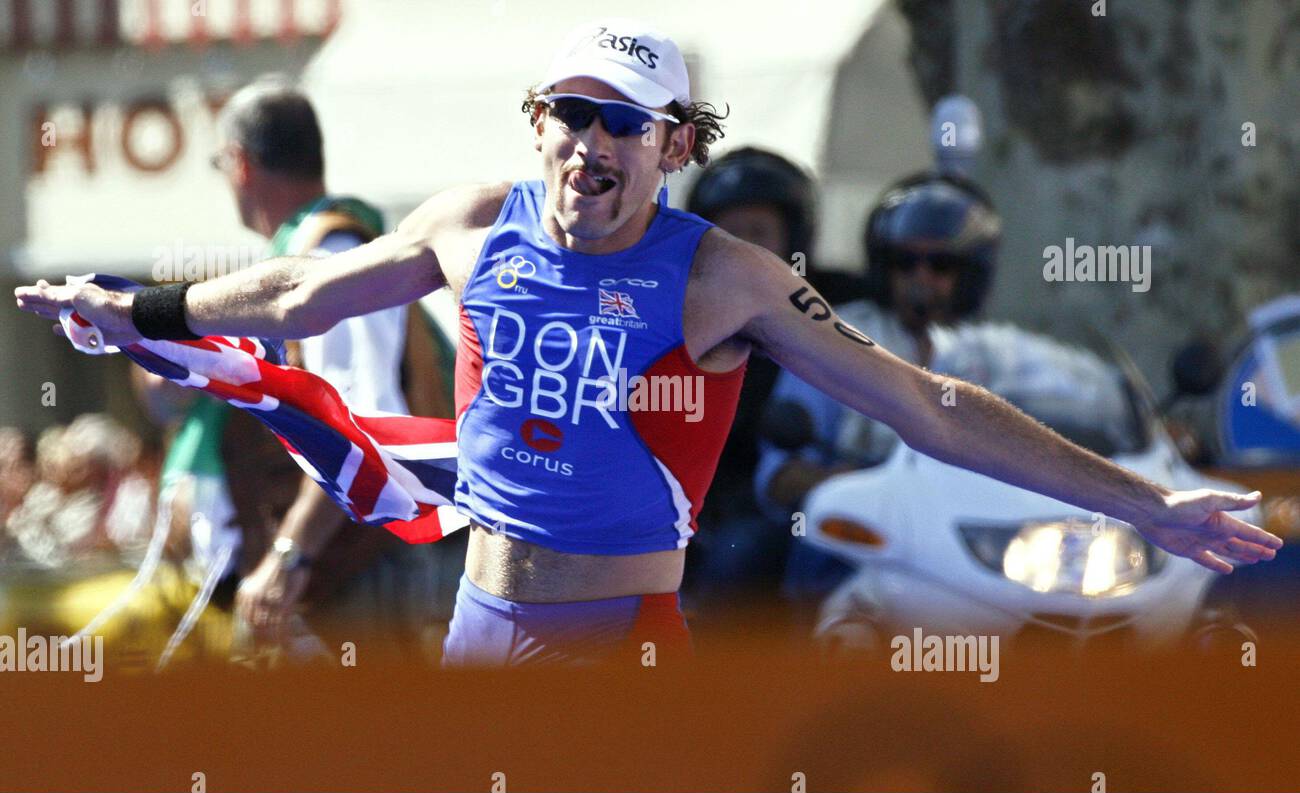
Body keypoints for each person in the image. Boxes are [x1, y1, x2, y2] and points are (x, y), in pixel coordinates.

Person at [15, 19, 1282, 667]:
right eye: (571, 115)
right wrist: (146, 309)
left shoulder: (722, 277)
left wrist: (1150, 503)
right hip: (470, 627)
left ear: (676, 145)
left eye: (625, 124)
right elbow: (299, 292)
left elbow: (931, 405)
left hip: (615, 644)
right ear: (538, 125)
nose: (591, 145)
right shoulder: (472, 226)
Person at [136, 81, 459, 663]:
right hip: (330, 574)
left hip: (353, 576)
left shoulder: (329, 254)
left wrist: (289, 555)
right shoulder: (314, 251)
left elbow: (361, 427)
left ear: (239, 163)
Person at [755, 173, 1002, 615]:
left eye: (940, 265)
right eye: (904, 262)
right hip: (853, 554)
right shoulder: (833, 333)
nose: (920, 278)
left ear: (971, 275)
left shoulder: (1002, 353)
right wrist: (851, 489)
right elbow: (777, 477)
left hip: (975, 557)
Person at [682, 147, 860, 621]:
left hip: (793, 511)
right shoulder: (669, 316)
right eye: (728, 236)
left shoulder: (841, 306)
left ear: (795, 239)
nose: (741, 252)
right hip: (688, 516)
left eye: (758, 234)